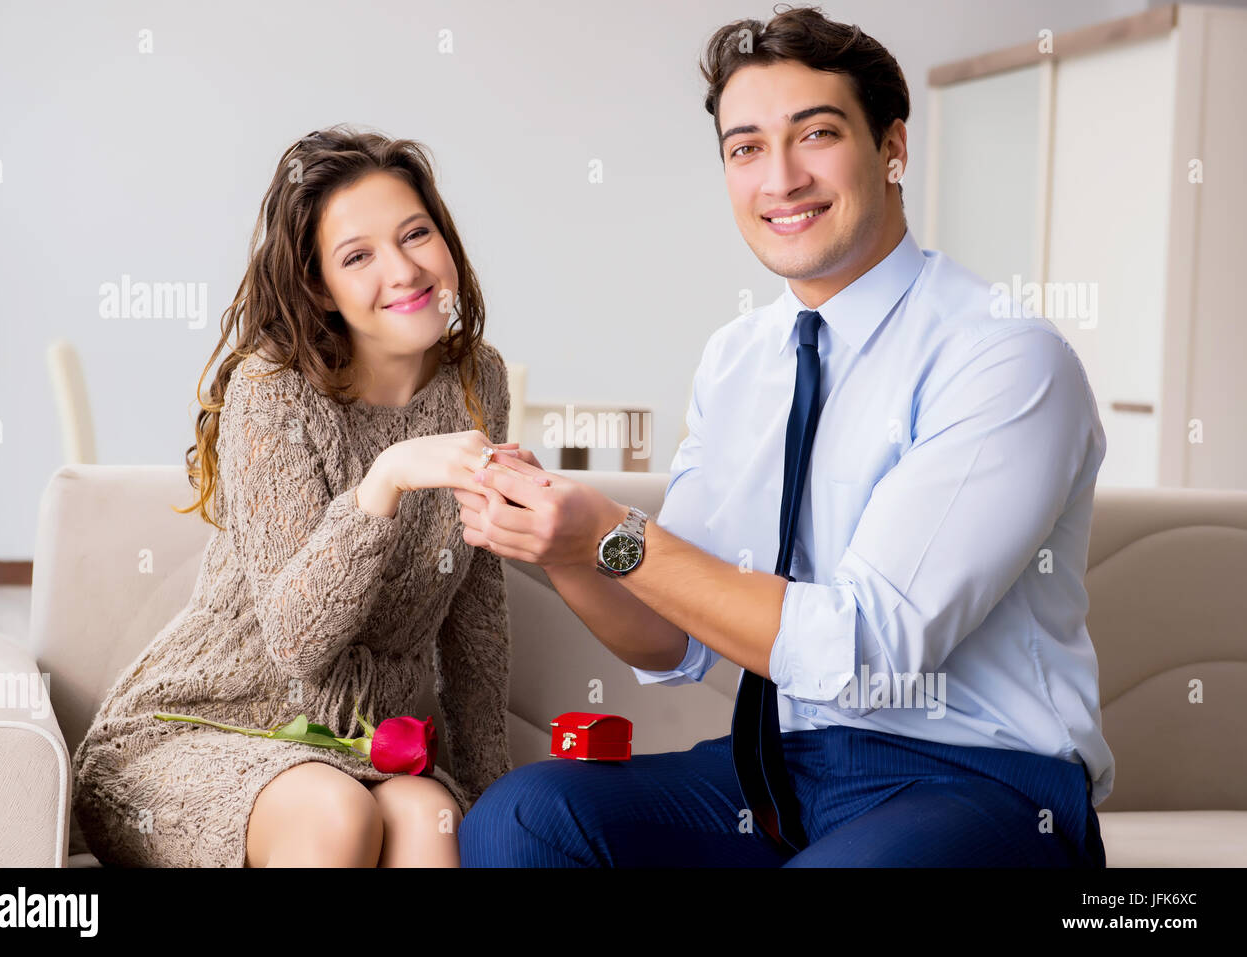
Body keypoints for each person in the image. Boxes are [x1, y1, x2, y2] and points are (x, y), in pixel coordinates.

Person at [454, 6, 1112, 867]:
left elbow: (866, 653)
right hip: (780, 771)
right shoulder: (738, 358)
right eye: (747, 148)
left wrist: (613, 531)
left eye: (818, 134)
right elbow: (671, 635)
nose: (782, 178)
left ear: (893, 147)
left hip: (984, 783)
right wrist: (559, 543)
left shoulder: (1002, 358)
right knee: (525, 818)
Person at [71, 125, 521, 867]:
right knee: (334, 814)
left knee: (432, 818)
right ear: (320, 285)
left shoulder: (479, 380)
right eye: (358, 255)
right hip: (200, 732)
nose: (404, 270)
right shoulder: (272, 390)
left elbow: (474, 612)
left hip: (356, 745)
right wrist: (386, 480)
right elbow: (296, 640)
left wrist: (495, 796)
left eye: (417, 234)